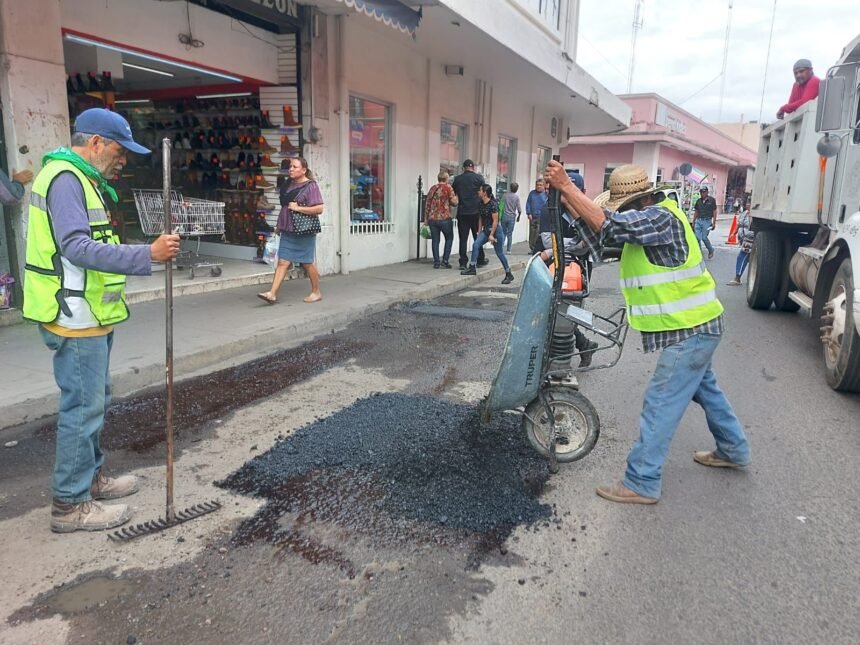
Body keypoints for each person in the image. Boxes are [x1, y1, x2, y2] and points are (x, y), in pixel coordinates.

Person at [544, 162, 750, 505]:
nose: (621, 212)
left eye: (623, 207)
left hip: (690, 330)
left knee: (660, 403)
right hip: (697, 327)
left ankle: (642, 481)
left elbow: (610, 224)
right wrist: (571, 208)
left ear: (638, 202)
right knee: (706, 390)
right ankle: (733, 448)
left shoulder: (660, 217)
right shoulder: (654, 219)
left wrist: (568, 187)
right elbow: (605, 240)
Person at [23, 108, 180, 532]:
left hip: (88, 313)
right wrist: (145, 254)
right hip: (72, 315)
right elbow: (77, 247)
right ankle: (70, 505)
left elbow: (94, 242)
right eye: (118, 149)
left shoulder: (81, 180)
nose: (123, 159)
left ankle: (90, 479)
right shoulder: (66, 181)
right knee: (83, 407)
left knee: (95, 401)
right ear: (94, 143)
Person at [537, 170, 598, 367]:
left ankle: (579, 347)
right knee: (553, 311)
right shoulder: (550, 209)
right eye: (564, 191)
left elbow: (590, 243)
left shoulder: (588, 211)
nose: (567, 197)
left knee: (568, 310)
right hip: (553, 268)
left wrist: (554, 249)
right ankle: (583, 345)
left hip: (580, 267)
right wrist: (574, 245)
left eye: (573, 191)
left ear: (582, 192)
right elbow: (549, 239)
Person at [258, 157, 324, 304]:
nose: (291, 169)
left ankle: (316, 291)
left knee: (307, 263)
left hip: (303, 230)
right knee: (282, 261)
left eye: (295, 167)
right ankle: (272, 294)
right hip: (288, 228)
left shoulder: (311, 186)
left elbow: (319, 209)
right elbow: (285, 208)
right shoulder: (288, 184)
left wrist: (299, 208)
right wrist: (279, 225)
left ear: (304, 170)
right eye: (290, 167)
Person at [461, 184, 514, 284]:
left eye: (480, 190)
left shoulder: (493, 204)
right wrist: (479, 230)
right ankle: (472, 267)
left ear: (485, 193)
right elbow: (481, 217)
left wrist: (491, 235)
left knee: (499, 253)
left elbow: (495, 221)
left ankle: (508, 273)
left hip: (496, 231)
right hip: (486, 231)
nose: (478, 192)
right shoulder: (481, 203)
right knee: (476, 245)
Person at [452, 159, 487, 269]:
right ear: (473, 167)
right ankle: (480, 258)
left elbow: (454, 194)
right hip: (476, 212)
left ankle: (463, 262)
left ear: (463, 168)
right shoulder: (479, 178)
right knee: (478, 236)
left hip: (462, 212)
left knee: (463, 238)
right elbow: (484, 193)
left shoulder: (457, 179)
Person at [423, 170, 458, 268]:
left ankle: (436, 262)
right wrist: (457, 198)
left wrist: (426, 219)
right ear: (446, 179)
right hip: (445, 218)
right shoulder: (448, 188)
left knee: (435, 241)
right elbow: (454, 202)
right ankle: (445, 260)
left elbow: (427, 205)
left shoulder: (432, 188)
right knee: (449, 238)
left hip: (433, 219)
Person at [727, 203, 754, 285]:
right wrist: (733, 233)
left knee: (742, 256)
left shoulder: (754, 216)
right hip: (743, 238)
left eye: (750, 204)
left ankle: (737, 277)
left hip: (749, 238)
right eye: (747, 204)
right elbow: (738, 224)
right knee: (746, 258)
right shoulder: (744, 213)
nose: (748, 205)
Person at [692, 186, 716, 259]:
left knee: (704, 238)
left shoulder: (711, 200)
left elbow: (714, 211)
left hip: (707, 221)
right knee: (697, 238)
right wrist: (693, 222)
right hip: (699, 220)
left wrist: (714, 222)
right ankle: (699, 253)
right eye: (701, 192)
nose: (702, 194)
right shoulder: (698, 201)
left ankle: (710, 250)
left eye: (704, 192)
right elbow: (696, 211)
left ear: (707, 192)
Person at [525, 178, 548, 253]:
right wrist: (528, 213)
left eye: (540, 185)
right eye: (537, 185)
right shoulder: (532, 193)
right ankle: (532, 248)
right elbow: (528, 203)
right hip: (533, 216)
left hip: (542, 217)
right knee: (532, 233)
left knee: (539, 233)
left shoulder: (546, 194)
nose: (538, 186)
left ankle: (538, 248)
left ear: (544, 186)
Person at [500, 182, 522, 252]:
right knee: (510, 233)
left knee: (503, 232)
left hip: (504, 216)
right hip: (512, 217)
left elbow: (501, 206)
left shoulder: (505, 195)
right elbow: (519, 209)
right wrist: (519, 216)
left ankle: (501, 248)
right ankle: (508, 250)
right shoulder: (516, 197)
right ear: (517, 189)